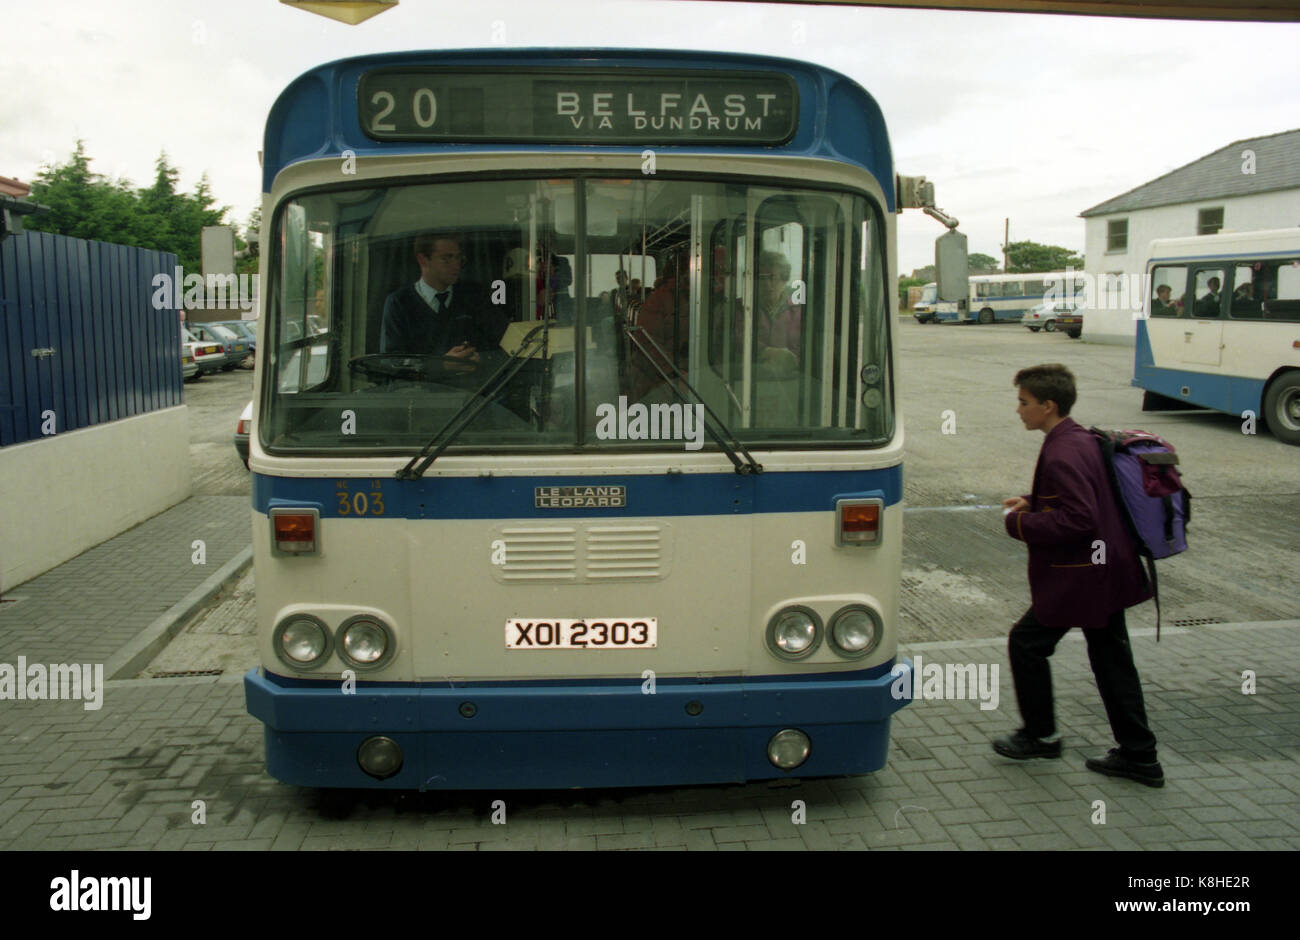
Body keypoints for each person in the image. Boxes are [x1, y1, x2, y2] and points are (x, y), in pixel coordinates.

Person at [994, 363, 1164, 788]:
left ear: (1047, 405)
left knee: (1027, 643)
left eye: (1024, 402)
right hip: (1107, 570)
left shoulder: (1061, 449)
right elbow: (1089, 493)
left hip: (1084, 577)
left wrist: (1018, 523)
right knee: (1112, 661)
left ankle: (1041, 736)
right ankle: (1139, 755)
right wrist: (1034, 500)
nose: (1018, 410)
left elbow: (1079, 518)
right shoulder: (1079, 436)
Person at [379, 233, 507, 367]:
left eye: (458, 258)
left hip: (475, 386)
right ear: (423, 259)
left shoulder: (474, 296)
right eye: (446, 258)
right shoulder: (399, 302)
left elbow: (506, 343)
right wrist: (441, 365)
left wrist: (480, 358)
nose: (456, 265)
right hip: (419, 387)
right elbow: (391, 361)